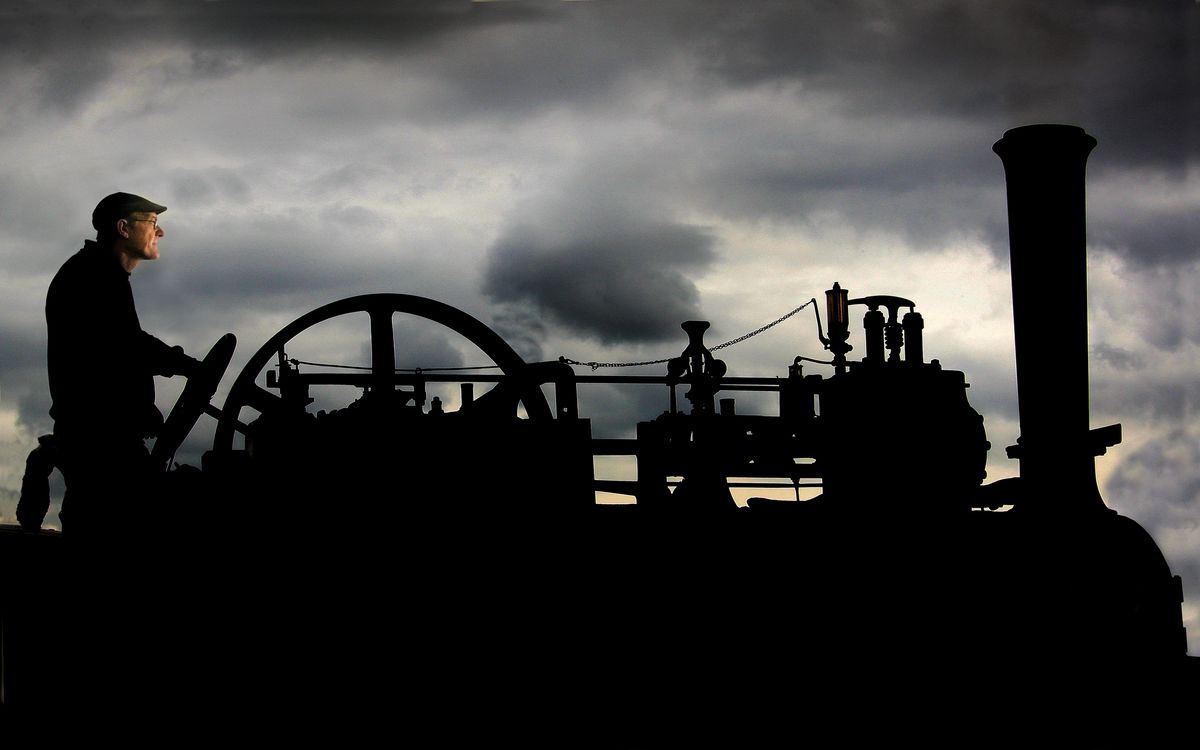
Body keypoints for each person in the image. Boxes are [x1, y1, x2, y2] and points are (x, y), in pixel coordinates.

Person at [45, 192, 199, 537]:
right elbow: (125, 345)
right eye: (152, 223)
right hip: (103, 444)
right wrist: (187, 365)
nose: (160, 232)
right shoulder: (94, 275)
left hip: (99, 437)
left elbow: (116, 349)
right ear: (124, 228)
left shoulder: (95, 272)